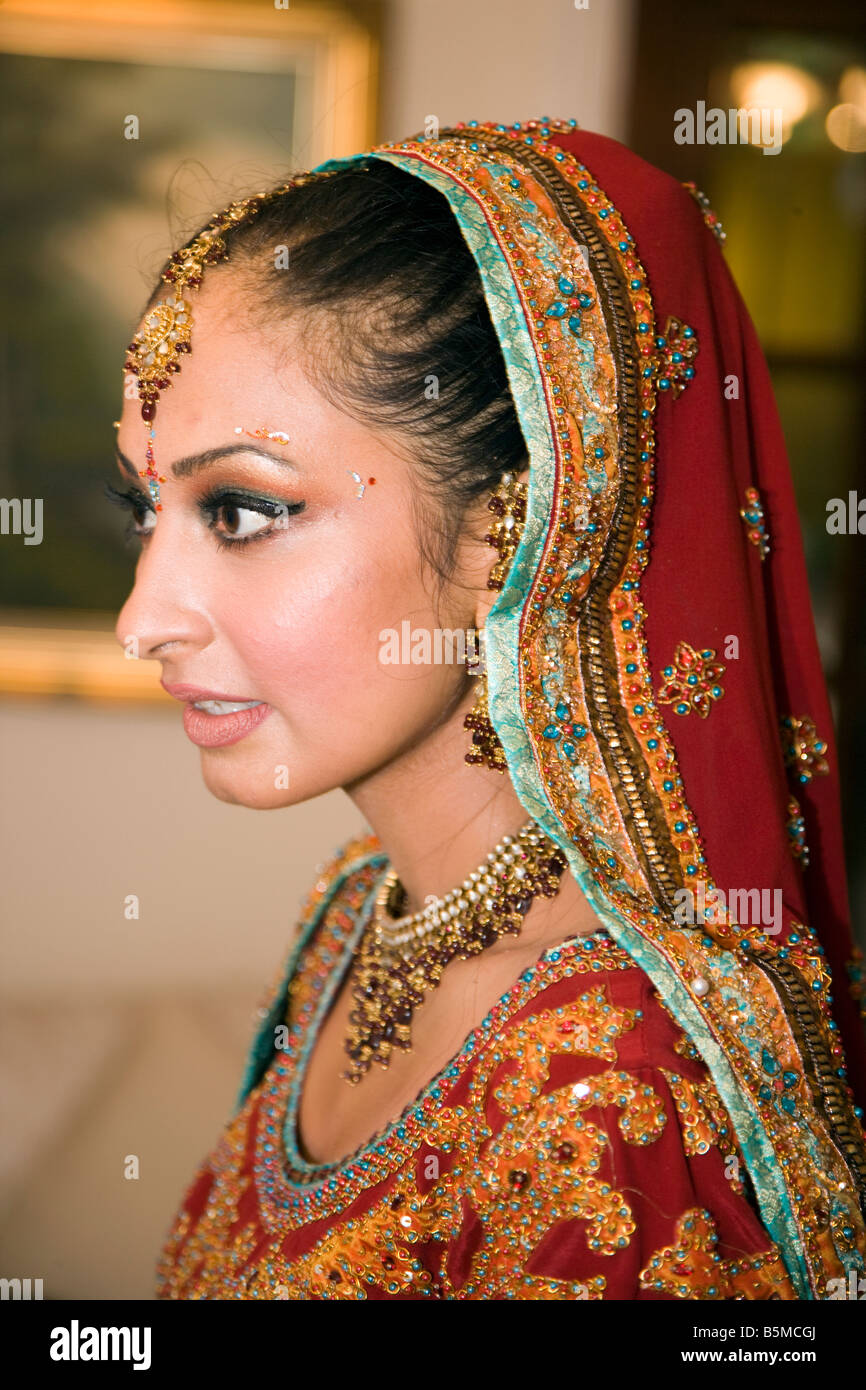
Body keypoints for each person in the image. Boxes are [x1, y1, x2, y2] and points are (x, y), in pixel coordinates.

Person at [107, 117, 866, 1299]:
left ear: (510, 529)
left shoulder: (614, 1094)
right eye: (142, 511)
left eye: (242, 511)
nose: (142, 619)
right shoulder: (359, 911)